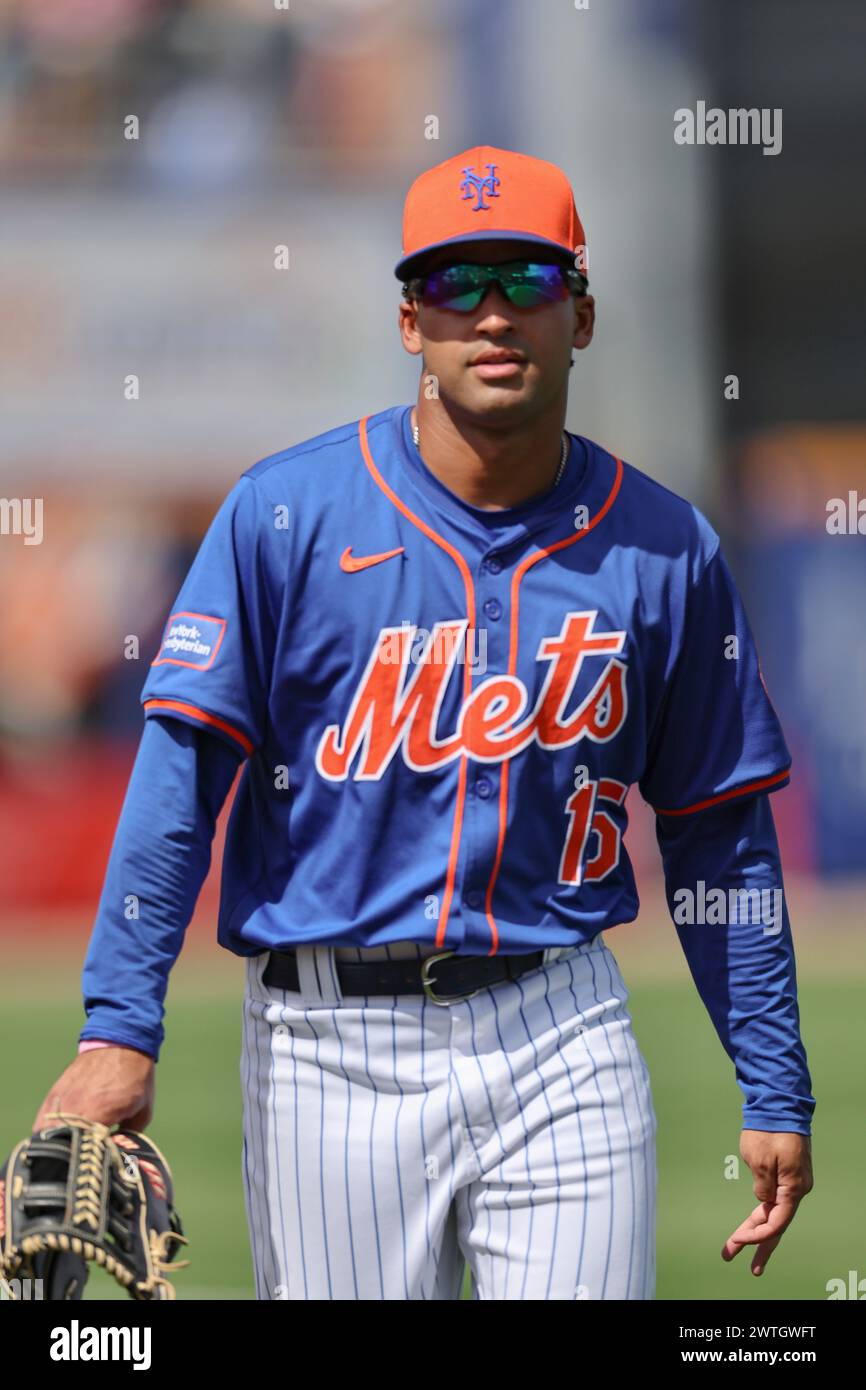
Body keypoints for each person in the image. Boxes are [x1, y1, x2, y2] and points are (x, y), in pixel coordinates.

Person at [35, 145, 814, 1300]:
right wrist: (116, 1028)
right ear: (410, 319)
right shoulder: (286, 514)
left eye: (528, 282)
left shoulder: (664, 547)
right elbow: (176, 785)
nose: (491, 314)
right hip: (325, 1049)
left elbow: (717, 828)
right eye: (455, 285)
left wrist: (770, 1078)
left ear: (581, 314)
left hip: (562, 1028)